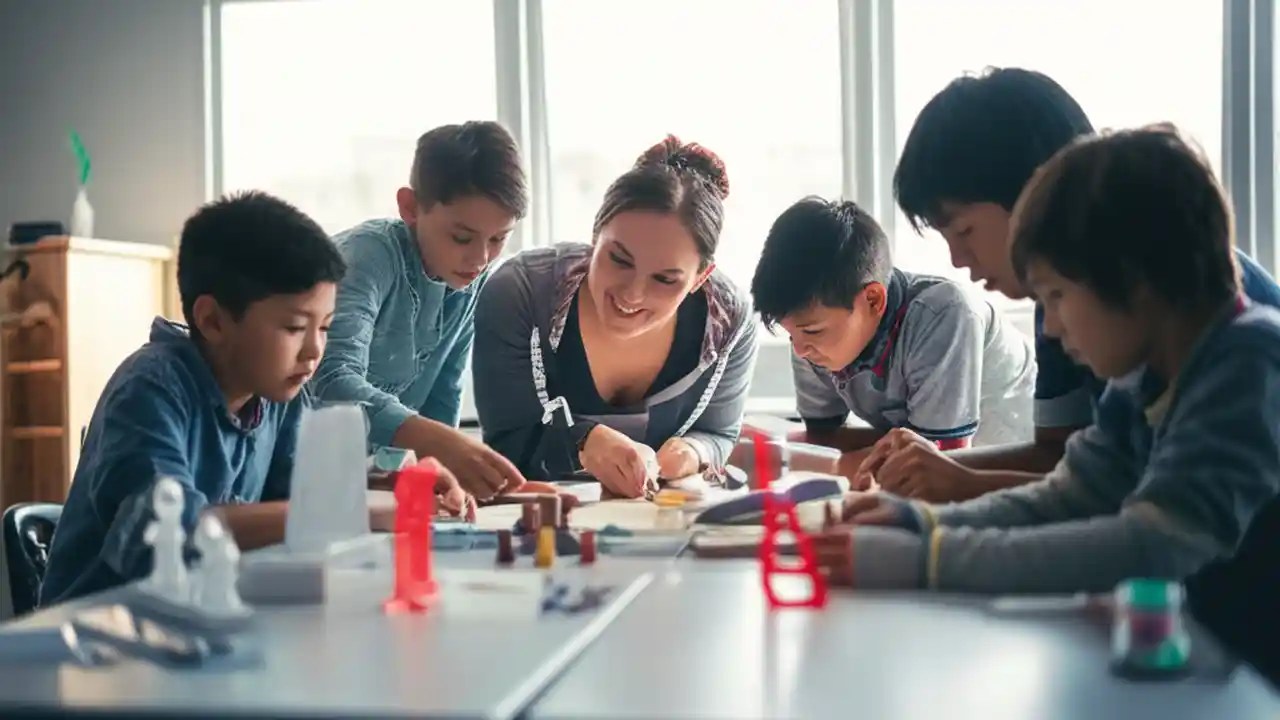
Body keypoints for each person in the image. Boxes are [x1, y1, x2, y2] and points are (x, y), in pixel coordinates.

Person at [832, 125, 1280, 684]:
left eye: (1058, 297)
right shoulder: (1139, 379)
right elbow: (1073, 495)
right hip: (1219, 664)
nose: (1054, 325)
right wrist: (921, 523)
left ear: (1135, 279)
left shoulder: (1249, 361)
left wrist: (930, 561)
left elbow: (1153, 542)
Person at [861, 67, 1280, 501]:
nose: (956, 260)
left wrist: (960, 485)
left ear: (1036, 194)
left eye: (964, 231)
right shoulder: (1062, 305)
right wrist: (926, 468)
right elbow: (1062, 457)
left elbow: (1152, 509)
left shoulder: (1187, 301)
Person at [41, 192, 468, 605]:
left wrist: (395, 482)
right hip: (95, 641)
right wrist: (350, 512)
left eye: (324, 327)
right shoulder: (151, 389)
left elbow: (300, 494)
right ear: (213, 320)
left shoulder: (279, 397)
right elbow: (162, 535)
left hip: (201, 621)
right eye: (294, 327)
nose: (315, 351)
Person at [472, 136, 758, 498]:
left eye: (665, 279)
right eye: (619, 260)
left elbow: (718, 434)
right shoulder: (522, 293)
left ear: (700, 278)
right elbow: (506, 440)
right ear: (595, 235)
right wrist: (583, 442)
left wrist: (690, 453)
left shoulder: (728, 320)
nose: (632, 294)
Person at [310, 122, 529, 500]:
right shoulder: (367, 257)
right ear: (410, 207)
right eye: (461, 237)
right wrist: (438, 442)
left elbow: (442, 396)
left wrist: (449, 478)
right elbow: (329, 381)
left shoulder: (466, 280)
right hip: (303, 476)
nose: (480, 258)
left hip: (368, 483)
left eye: (498, 239)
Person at [751, 196, 1033, 461]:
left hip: (1013, 468)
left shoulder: (943, 315)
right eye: (790, 335)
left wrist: (808, 458)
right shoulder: (809, 340)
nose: (800, 351)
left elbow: (936, 464)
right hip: (934, 462)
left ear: (873, 300)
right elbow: (823, 439)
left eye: (811, 332)